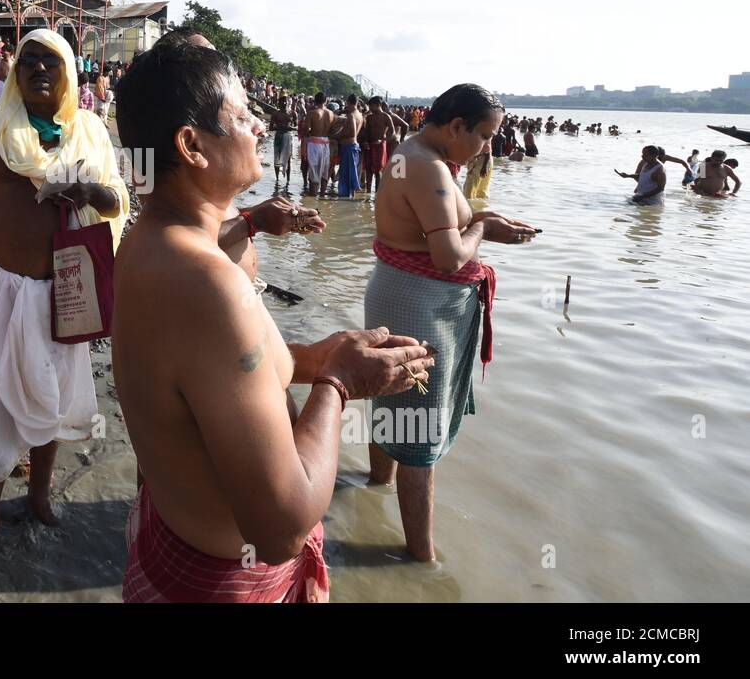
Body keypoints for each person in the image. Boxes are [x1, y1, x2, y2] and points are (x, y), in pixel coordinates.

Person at [111, 40, 433, 602]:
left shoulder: (147, 243)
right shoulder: (209, 283)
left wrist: (323, 355)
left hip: (169, 548)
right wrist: (337, 382)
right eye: (241, 115)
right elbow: (281, 529)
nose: (259, 125)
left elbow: (220, 378)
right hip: (222, 582)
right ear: (191, 145)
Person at [0, 29, 129, 559]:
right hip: (1, 287)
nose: (37, 70)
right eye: (27, 61)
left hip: (67, 293)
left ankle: (40, 496)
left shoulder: (90, 132)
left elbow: (116, 202)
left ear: (69, 74)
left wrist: (89, 190)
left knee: (52, 398)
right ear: (14, 72)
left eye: (50, 62)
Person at [367, 83, 537, 561]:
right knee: (418, 424)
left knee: (390, 398)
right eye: (485, 136)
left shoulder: (414, 153)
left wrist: (480, 217)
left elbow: (433, 230)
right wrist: (484, 229)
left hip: (398, 292)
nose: (489, 146)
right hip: (421, 303)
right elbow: (445, 257)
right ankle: (421, 561)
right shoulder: (429, 167)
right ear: (456, 125)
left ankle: (375, 487)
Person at [363, 96, 405, 194]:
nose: (370, 109)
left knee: (378, 171)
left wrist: (384, 140)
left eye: (371, 106)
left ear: (378, 105)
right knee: (368, 169)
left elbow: (393, 132)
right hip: (370, 145)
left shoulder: (386, 117)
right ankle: (368, 192)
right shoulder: (369, 117)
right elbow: (366, 131)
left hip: (380, 146)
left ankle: (377, 193)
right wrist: (365, 141)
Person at [301, 92, 335, 196]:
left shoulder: (312, 113)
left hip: (314, 144)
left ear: (315, 101)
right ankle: (322, 196)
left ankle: (313, 197)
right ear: (326, 101)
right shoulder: (331, 113)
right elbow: (332, 130)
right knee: (325, 171)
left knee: (313, 171)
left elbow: (306, 131)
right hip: (326, 143)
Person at [331, 93, 363, 198]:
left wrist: (337, 136)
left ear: (348, 102)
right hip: (353, 147)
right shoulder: (359, 115)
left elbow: (352, 133)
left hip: (349, 147)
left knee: (346, 176)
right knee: (349, 175)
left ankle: (345, 198)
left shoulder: (352, 115)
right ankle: (349, 200)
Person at [269, 101, 296, 194]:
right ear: (279, 105)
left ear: (288, 104)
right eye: (282, 103)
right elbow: (271, 127)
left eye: (285, 103)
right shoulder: (275, 114)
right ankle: (277, 180)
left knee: (288, 158)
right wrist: (281, 127)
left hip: (288, 136)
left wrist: (290, 128)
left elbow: (295, 125)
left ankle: (287, 180)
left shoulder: (292, 113)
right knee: (277, 158)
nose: (284, 105)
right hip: (279, 135)